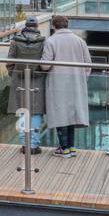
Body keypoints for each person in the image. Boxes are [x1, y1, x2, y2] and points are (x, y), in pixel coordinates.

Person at [40, 15, 92, 157]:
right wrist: (82, 79)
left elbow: (45, 66)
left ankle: (64, 148)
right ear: (67, 25)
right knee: (71, 115)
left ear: (53, 26)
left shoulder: (51, 41)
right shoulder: (80, 41)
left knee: (60, 114)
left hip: (58, 83)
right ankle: (71, 147)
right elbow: (88, 65)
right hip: (76, 83)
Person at [7, 17, 46, 152]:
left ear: (25, 26)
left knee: (23, 111)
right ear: (36, 26)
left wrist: (13, 74)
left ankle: (24, 145)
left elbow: (10, 61)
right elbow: (45, 62)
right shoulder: (43, 41)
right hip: (38, 80)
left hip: (19, 79)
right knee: (36, 112)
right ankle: (34, 145)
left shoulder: (15, 41)